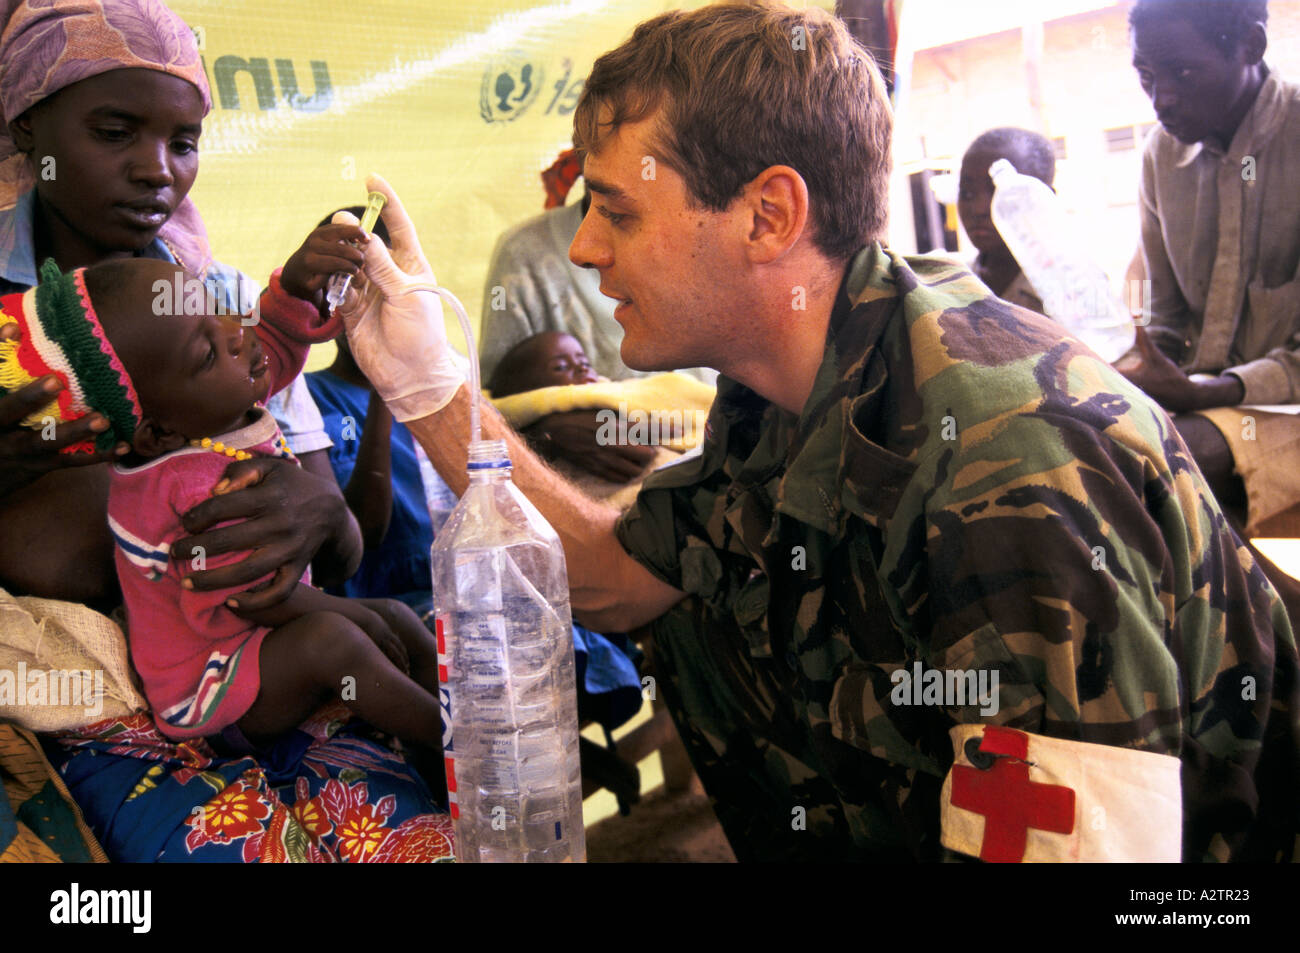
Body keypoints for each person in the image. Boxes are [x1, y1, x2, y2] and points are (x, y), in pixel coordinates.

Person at [343, 3, 1298, 863]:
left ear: (768, 216)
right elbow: (615, 574)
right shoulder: (789, 383)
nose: (585, 246)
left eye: (618, 210)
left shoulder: (1003, 468)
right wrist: (434, 391)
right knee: (699, 596)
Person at [3, 258, 446, 771]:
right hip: (208, 686)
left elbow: (273, 353)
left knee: (393, 614)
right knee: (335, 638)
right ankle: (456, 744)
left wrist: (293, 297)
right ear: (157, 433)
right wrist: (353, 614)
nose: (237, 334)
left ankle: (442, 737)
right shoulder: (186, 487)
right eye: (209, 352)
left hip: (255, 644)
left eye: (219, 312)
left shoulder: (209, 411)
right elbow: (251, 597)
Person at [1118, 0, 1300, 548]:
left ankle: (1266, 617)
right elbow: (1165, 324)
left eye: (1184, 72)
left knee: (1158, 463)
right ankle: (1258, 614)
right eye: (1146, 75)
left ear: (1251, 46)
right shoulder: (1159, 157)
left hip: (1284, 406)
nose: (1162, 98)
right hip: (1206, 401)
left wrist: (1204, 394)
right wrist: (1137, 367)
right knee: (1081, 439)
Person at [956, 127, 1056, 314]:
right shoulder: (950, 287)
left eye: (998, 192)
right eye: (967, 193)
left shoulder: (1069, 295)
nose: (978, 209)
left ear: (1044, 198)